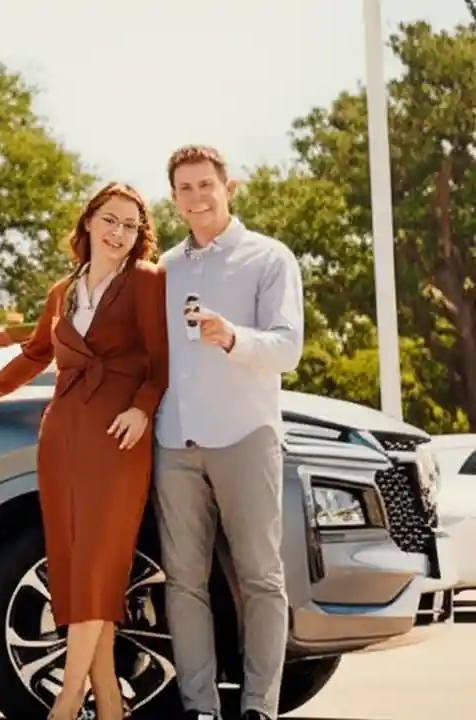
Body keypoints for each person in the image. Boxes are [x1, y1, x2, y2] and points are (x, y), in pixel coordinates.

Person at [0, 181, 169, 720]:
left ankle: (64, 702)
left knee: (101, 564)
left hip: (117, 436)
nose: (120, 233)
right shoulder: (63, 290)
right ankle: (108, 700)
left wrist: (142, 408)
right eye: (111, 220)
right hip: (60, 434)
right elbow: (36, 353)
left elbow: (161, 357)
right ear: (88, 222)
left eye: (131, 225)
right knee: (68, 563)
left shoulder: (150, 281)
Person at [156, 145, 305, 720]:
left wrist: (231, 337)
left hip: (246, 436)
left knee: (261, 577)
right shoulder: (163, 269)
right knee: (184, 582)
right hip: (176, 441)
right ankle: (199, 709)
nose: (197, 197)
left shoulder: (269, 259)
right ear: (173, 199)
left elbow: (288, 348)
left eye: (205, 185)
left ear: (229, 186)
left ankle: (258, 708)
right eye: (185, 189)